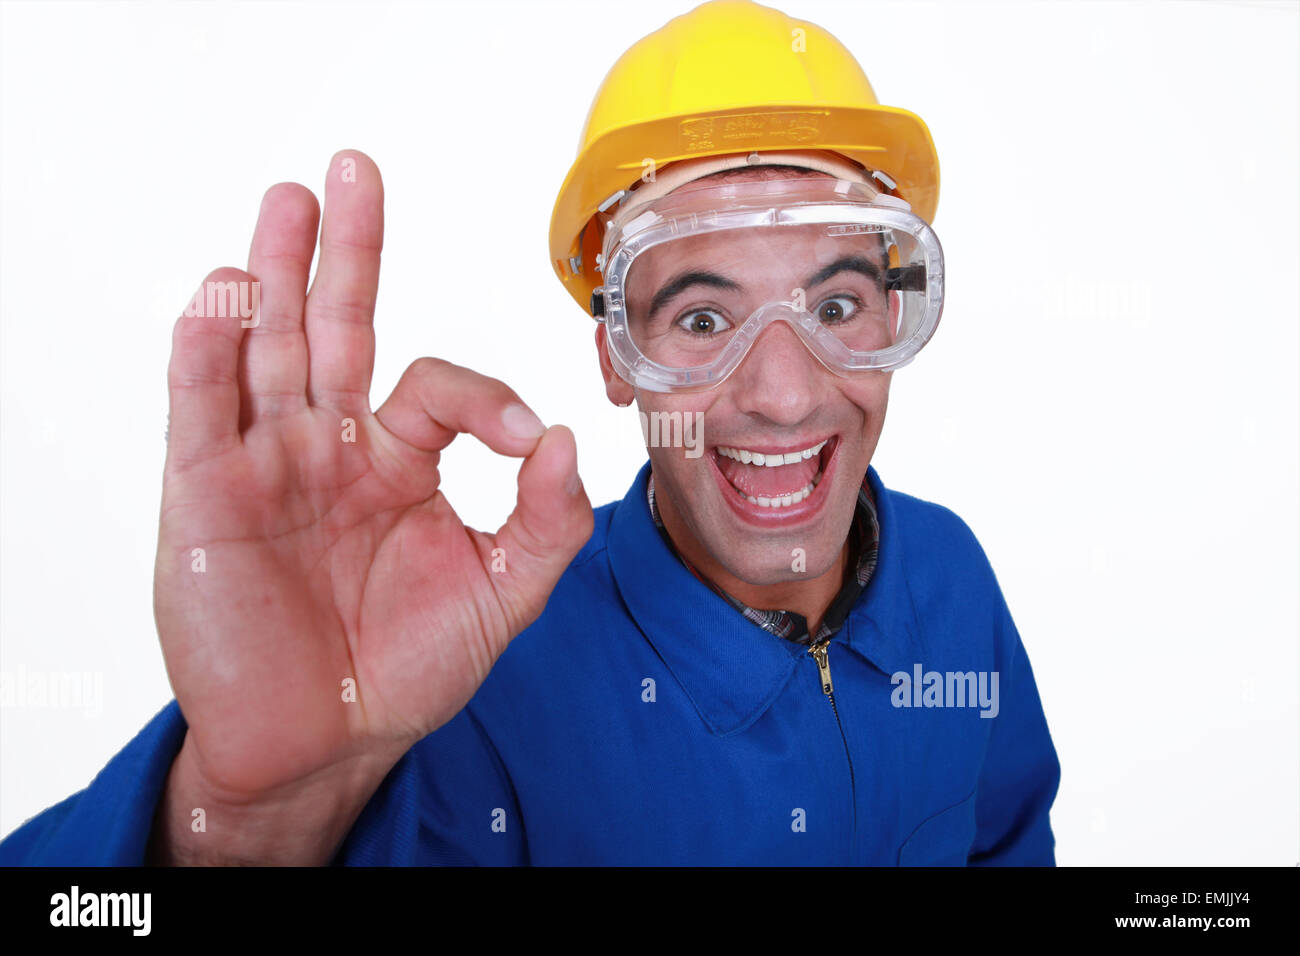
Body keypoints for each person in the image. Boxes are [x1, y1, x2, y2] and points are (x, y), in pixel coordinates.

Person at [0, 0, 1059, 866]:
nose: (781, 394)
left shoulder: (952, 579)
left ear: (893, 313)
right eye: (700, 317)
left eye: (833, 306)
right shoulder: (489, 677)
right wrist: (241, 824)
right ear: (612, 354)